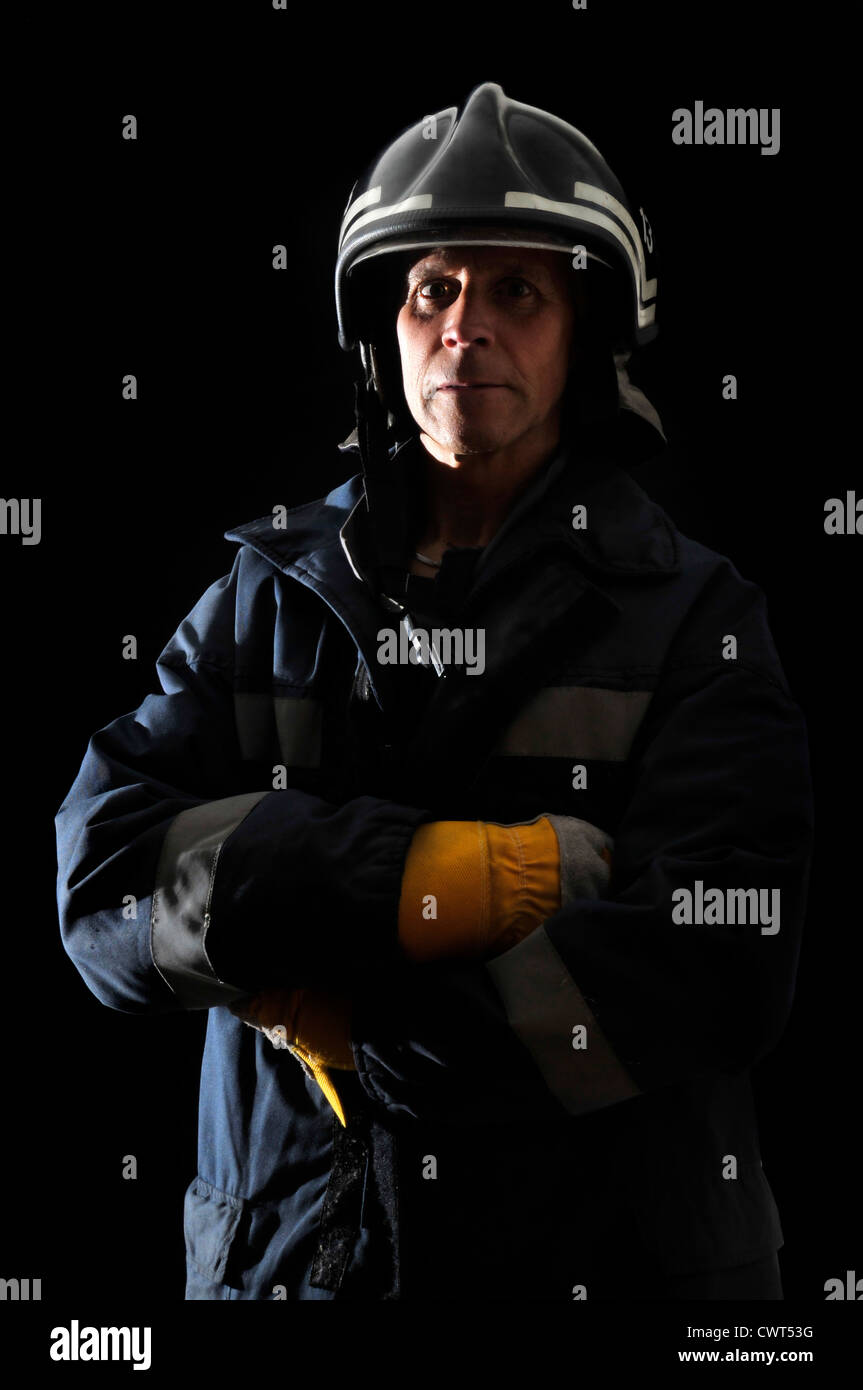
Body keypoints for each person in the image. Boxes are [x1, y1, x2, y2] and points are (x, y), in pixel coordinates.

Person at [55, 81, 814, 1301]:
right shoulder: (265, 600)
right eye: (434, 289)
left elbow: (721, 956)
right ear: (383, 328)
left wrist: (375, 1033)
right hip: (288, 1270)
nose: (465, 325)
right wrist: (428, 883)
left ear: (586, 332)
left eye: (517, 291)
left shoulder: (695, 619)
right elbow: (98, 887)